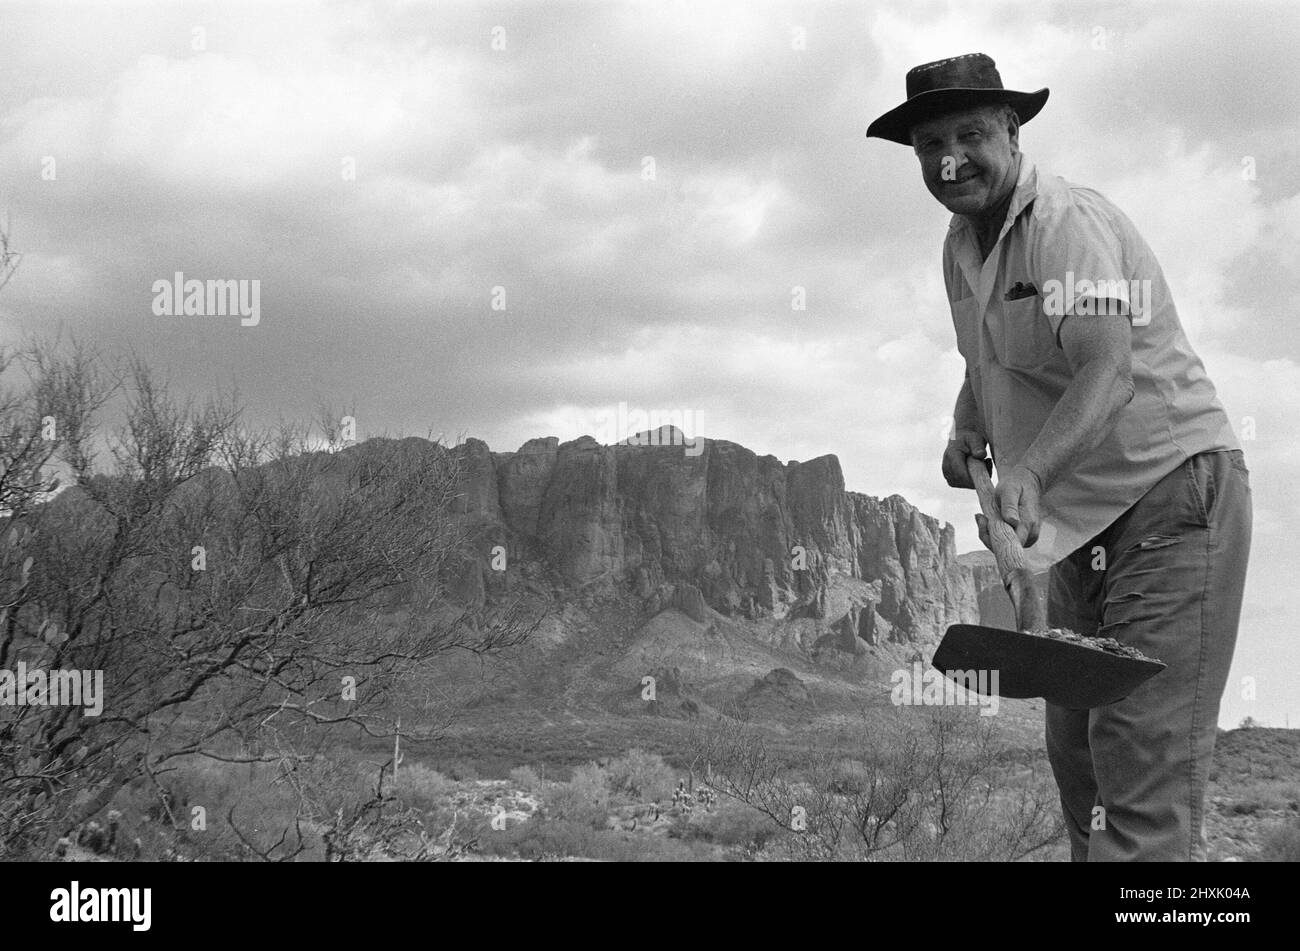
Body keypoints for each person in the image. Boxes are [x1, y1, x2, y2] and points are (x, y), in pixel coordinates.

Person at [867, 53, 1252, 861]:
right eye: (929, 143)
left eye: (970, 134)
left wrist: (1032, 472)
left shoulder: (1062, 224)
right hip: (1079, 530)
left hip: (1173, 499)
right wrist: (966, 424)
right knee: (1079, 767)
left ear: (1013, 131)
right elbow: (987, 361)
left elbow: (1108, 374)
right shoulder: (960, 245)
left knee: (1139, 769)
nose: (949, 158)